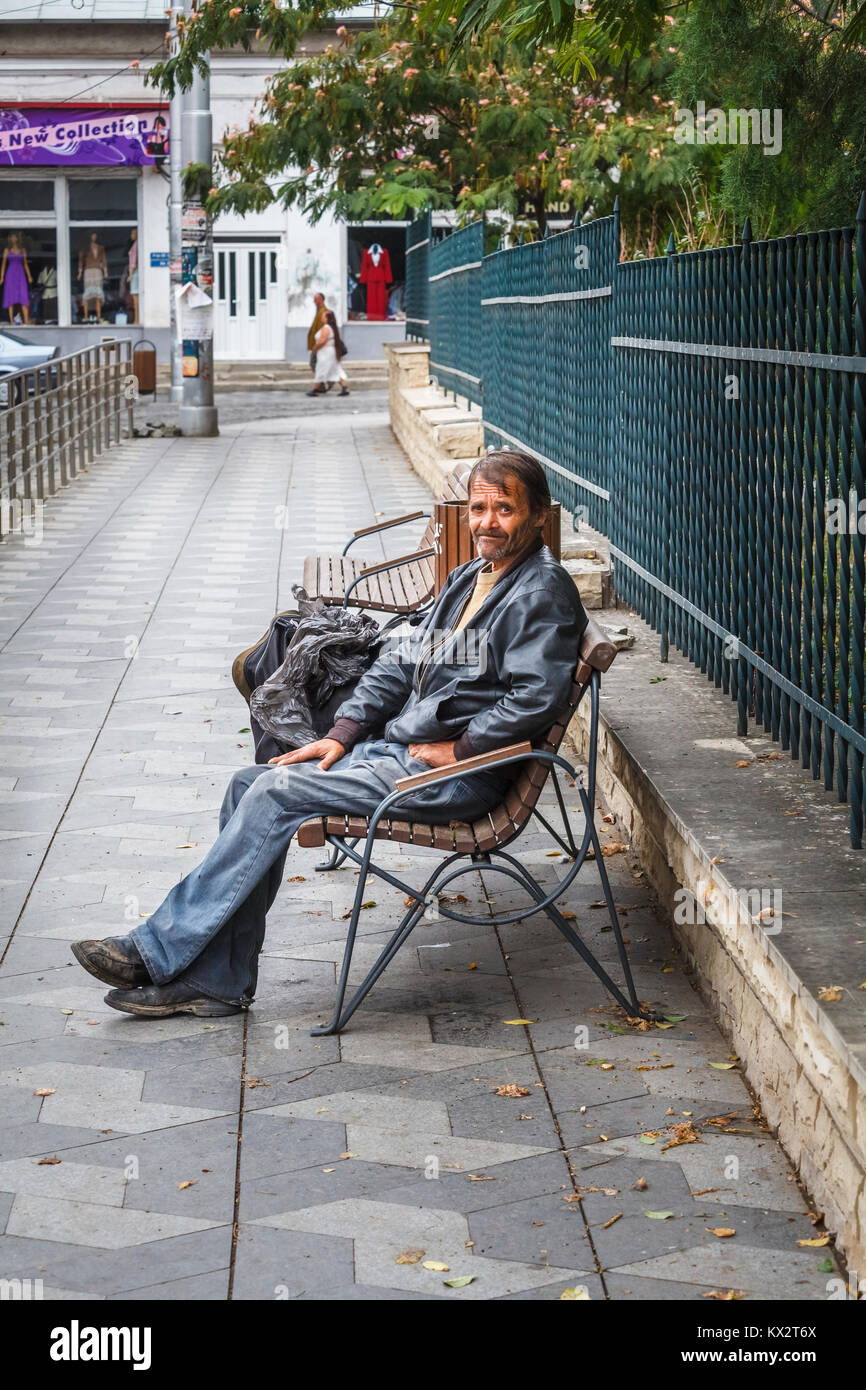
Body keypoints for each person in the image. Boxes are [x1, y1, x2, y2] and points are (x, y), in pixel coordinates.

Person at [70, 450, 587, 1018]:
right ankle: (218, 979)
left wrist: (461, 749)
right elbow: (397, 662)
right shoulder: (475, 576)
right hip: (402, 753)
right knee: (253, 782)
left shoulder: (541, 591)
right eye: (478, 507)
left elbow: (533, 698)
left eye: (505, 508)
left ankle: (156, 950)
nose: (487, 521)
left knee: (274, 793)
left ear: (539, 515)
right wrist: (341, 733)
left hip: (455, 778)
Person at [307, 308, 349, 396]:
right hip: (330, 352)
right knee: (335, 369)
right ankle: (345, 388)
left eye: (323, 316)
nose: (321, 318)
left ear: (327, 318)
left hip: (325, 353)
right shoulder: (331, 327)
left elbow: (322, 341)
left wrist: (315, 348)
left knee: (321, 369)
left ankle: (316, 389)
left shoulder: (326, 328)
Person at [0, 232, 32, 324]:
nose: (13, 239)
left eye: (14, 237)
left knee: (23, 296)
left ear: (18, 238)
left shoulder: (23, 250)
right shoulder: (7, 250)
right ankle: (11, 321)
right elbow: (3, 264)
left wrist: (29, 276)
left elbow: (25, 264)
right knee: (10, 296)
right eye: (11, 237)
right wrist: (1, 277)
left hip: (20, 273)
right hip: (10, 273)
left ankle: (26, 321)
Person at [78, 232, 107, 323]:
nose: (94, 237)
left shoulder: (101, 248)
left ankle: (99, 316)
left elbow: (104, 260)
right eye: (92, 235)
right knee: (88, 294)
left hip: (98, 271)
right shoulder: (85, 248)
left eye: (95, 236)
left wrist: (105, 271)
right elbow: (80, 261)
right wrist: (80, 272)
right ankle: (86, 316)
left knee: (98, 293)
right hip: (88, 272)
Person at [306, 290, 327, 374]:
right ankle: (321, 382)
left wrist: (317, 345)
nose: (314, 302)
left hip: (319, 344)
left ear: (320, 300)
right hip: (316, 344)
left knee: (314, 364)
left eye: (315, 300)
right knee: (315, 365)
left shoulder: (323, 312)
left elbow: (323, 329)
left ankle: (321, 382)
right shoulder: (319, 311)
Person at [124, 229, 139, 324]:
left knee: (136, 298)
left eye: (133, 233)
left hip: (135, 274)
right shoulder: (137, 244)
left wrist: (130, 275)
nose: (131, 235)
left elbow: (133, 263)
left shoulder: (135, 246)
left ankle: (137, 319)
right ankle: (137, 319)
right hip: (137, 273)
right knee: (136, 298)